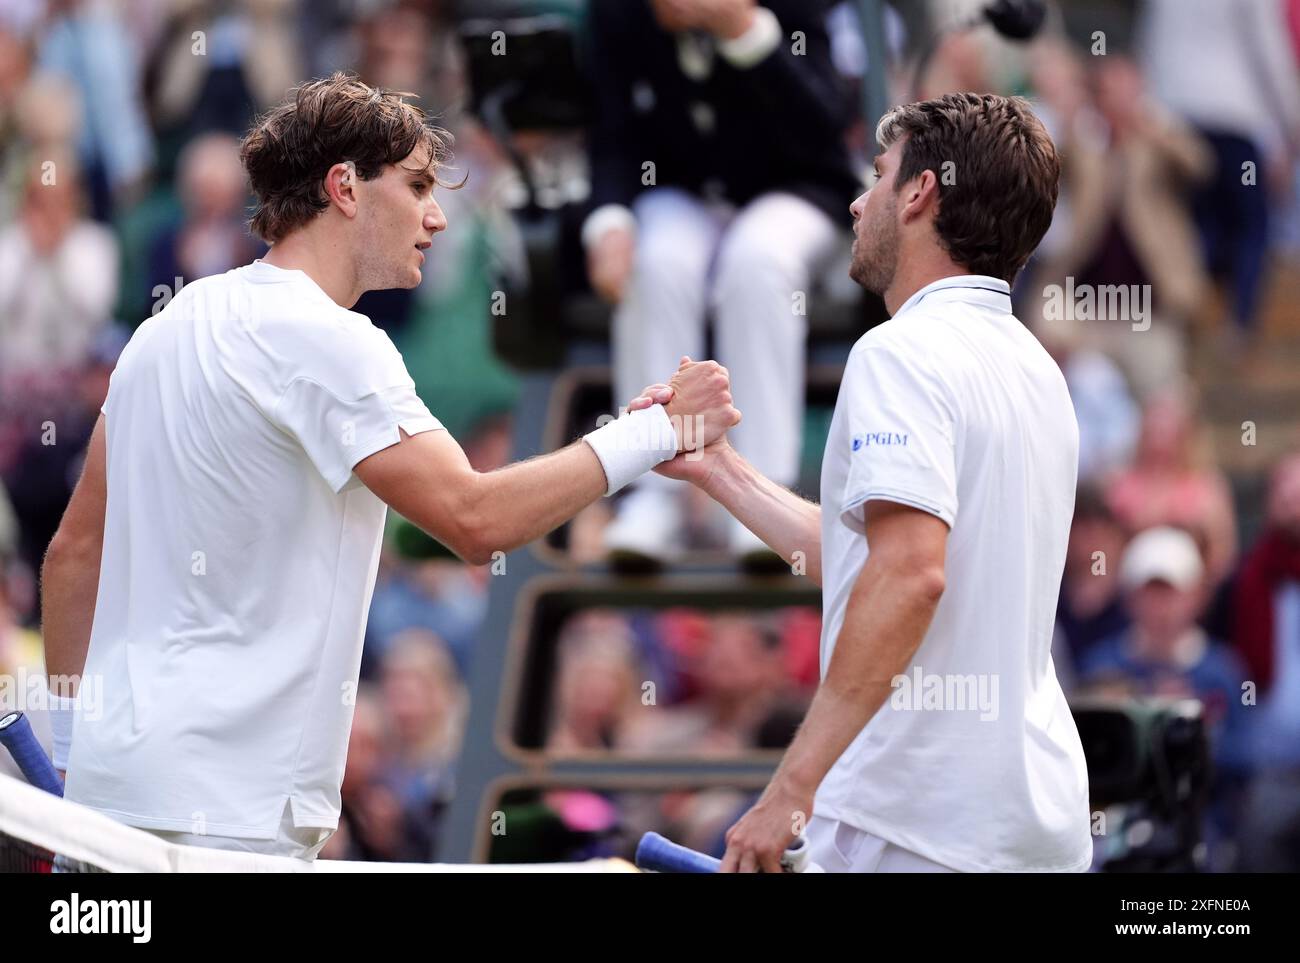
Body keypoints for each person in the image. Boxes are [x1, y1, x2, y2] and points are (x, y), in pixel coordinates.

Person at [40, 73, 738, 861]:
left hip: (108, 796)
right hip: (227, 815)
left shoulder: (160, 329)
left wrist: (70, 744)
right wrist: (654, 433)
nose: (436, 216)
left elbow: (73, 553)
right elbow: (477, 522)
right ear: (344, 187)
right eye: (415, 187)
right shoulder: (333, 340)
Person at [654, 93, 1091, 872]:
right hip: (1030, 830)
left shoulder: (900, 352)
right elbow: (881, 562)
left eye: (879, 176)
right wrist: (721, 470)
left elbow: (910, 574)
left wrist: (790, 788)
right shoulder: (1036, 370)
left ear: (921, 193)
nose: (858, 202)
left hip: (917, 828)